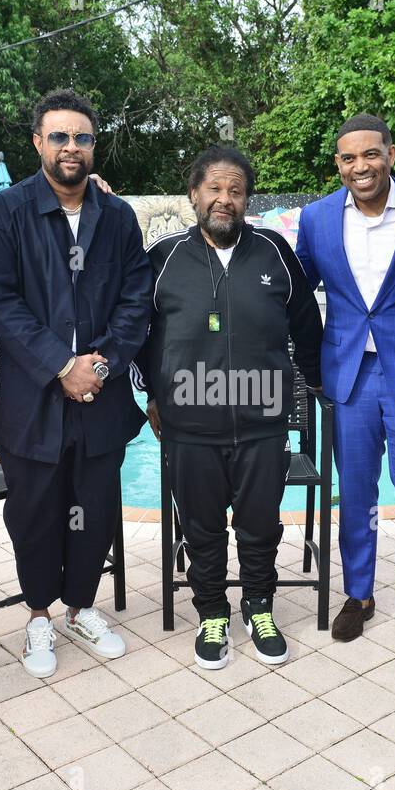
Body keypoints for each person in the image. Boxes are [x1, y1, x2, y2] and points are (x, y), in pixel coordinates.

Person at [0, 89, 153, 678]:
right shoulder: (9, 213)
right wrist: (61, 365)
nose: (70, 147)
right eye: (59, 136)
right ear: (37, 143)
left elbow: (136, 302)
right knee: (36, 513)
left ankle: (80, 607)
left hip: (101, 400)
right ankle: (36, 616)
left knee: (94, 509)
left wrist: (99, 366)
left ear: (93, 146)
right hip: (33, 403)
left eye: (81, 137)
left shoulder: (117, 216)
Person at [137, 145, 323, 669]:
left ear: (247, 199)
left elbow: (308, 330)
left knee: (260, 524)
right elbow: (140, 336)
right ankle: (213, 610)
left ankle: (258, 604)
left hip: (262, 422)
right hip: (189, 423)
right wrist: (152, 392)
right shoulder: (164, 257)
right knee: (201, 526)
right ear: (194, 194)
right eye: (214, 189)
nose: (225, 199)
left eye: (236, 191)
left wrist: (321, 388)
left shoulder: (275, 254)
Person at [294, 114, 395, 671]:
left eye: (370, 154)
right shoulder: (316, 220)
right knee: (357, 498)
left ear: (391, 153)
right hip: (348, 378)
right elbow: (298, 293)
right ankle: (359, 595)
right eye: (347, 158)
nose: (359, 166)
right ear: (337, 164)